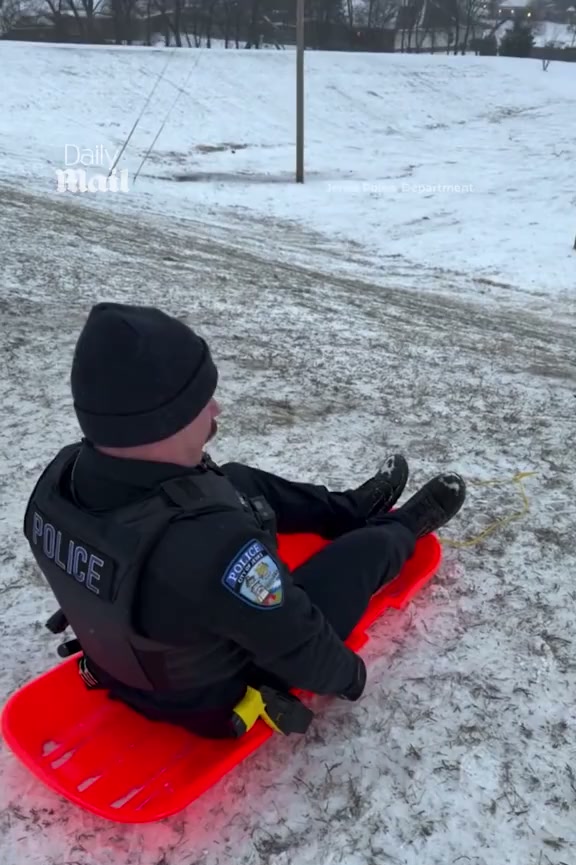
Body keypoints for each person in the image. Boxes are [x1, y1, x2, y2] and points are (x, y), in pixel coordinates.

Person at [24, 303, 466, 739]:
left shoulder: (57, 481)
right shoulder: (214, 550)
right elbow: (302, 646)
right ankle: (401, 527)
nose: (216, 408)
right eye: (201, 400)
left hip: (126, 657)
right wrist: (351, 677)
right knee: (365, 551)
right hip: (205, 696)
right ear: (163, 421)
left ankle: (348, 509)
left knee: (233, 480)